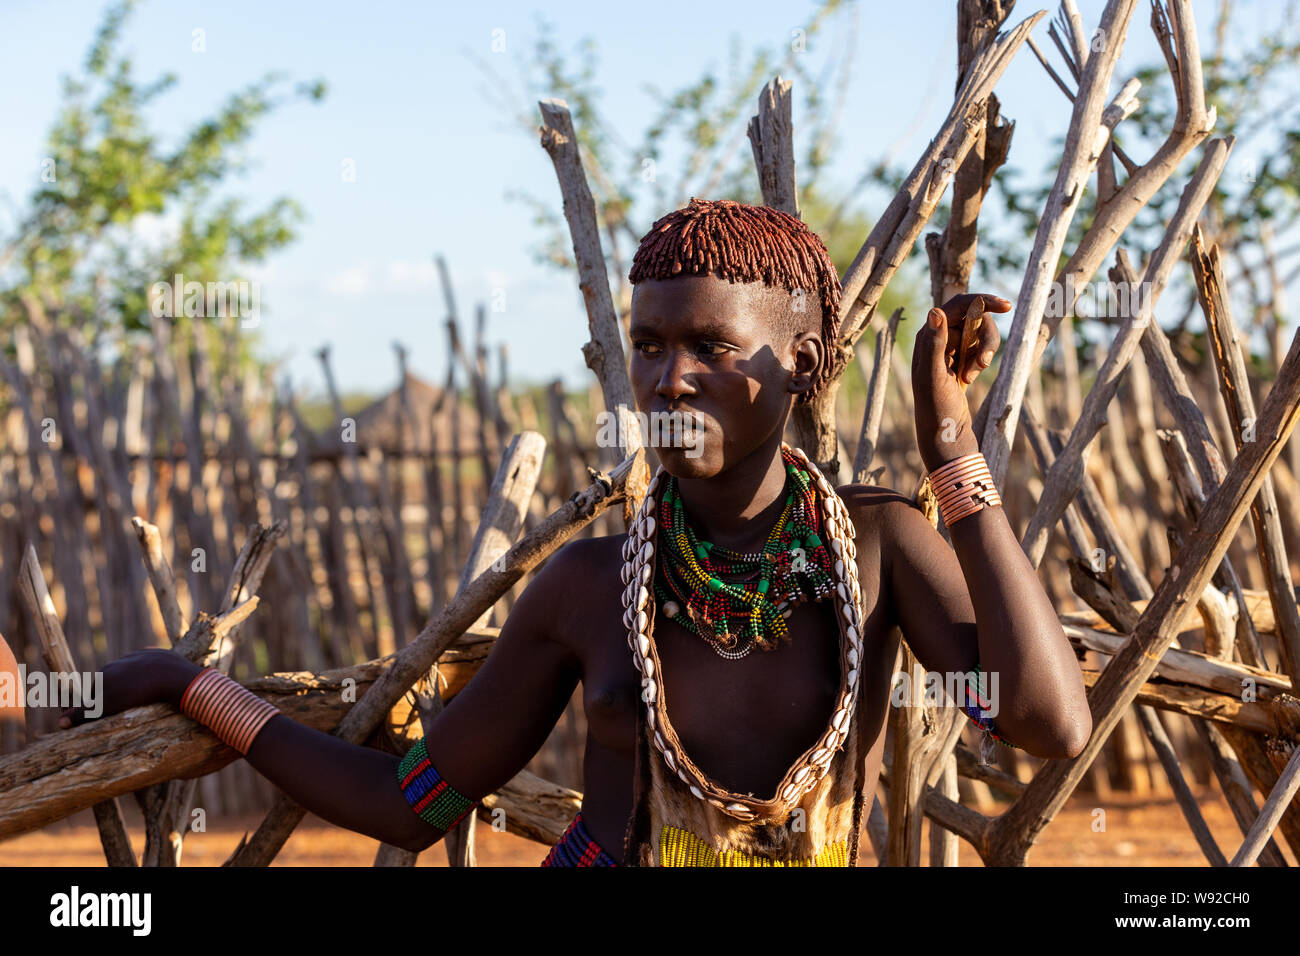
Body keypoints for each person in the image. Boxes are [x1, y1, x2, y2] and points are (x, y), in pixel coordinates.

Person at [62, 197, 1091, 866]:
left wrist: (949, 442)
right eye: (647, 344)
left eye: (707, 344)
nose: (665, 377)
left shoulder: (876, 551)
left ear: (804, 359)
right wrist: (188, 683)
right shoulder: (590, 589)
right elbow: (406, 799)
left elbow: (1048, 724)